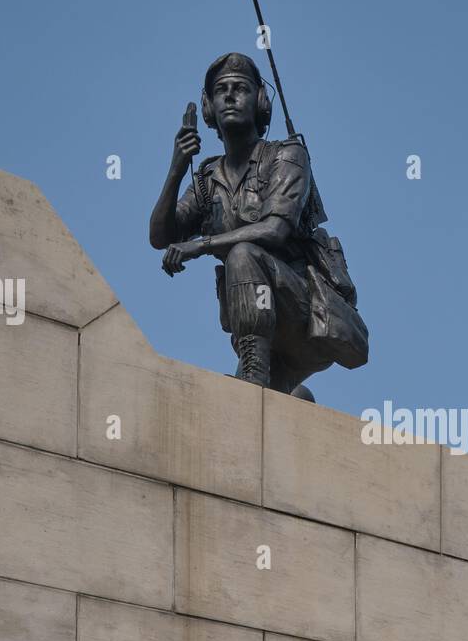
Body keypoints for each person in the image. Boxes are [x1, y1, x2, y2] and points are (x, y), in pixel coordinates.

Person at [149, 51, 367, 393]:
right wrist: (177, 169)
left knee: (243, 254)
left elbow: (275, 229)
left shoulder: (286, 155)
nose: (231, 96)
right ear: (208, 107)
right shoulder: (208, 177)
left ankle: (253, 371)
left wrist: (200, 246)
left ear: (260, 99)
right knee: (272, 405)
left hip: (303, 312)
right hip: (261, 322)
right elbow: (161, 236)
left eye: (241, 88)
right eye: (221, 90)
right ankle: (284, 393)